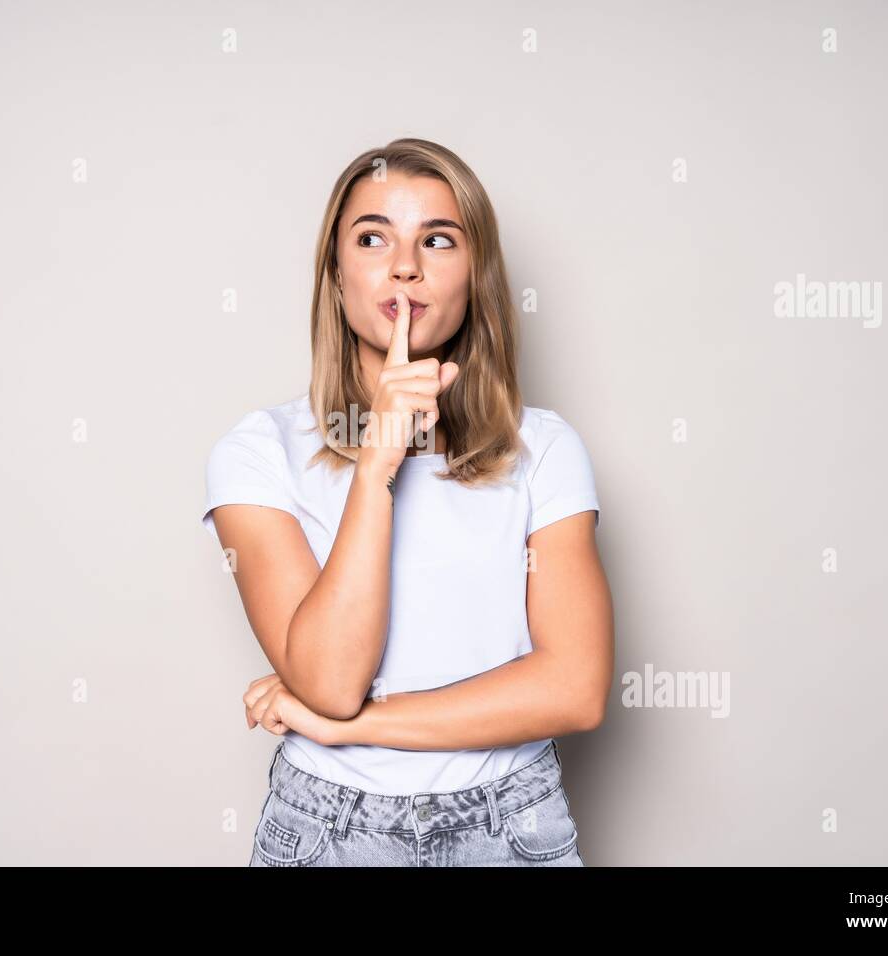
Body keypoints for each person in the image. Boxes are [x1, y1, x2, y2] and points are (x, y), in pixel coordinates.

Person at [201, 138, 614, 866]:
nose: (405, 265)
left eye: (438, 239)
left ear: (475, 275)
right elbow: (329, 682)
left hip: (511, 827)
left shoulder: (543, 448)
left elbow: (575, 688)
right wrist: (377, 460)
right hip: (325, 832)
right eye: (372, 238)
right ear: (335, 275)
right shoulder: (258, 451)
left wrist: (355, 725)